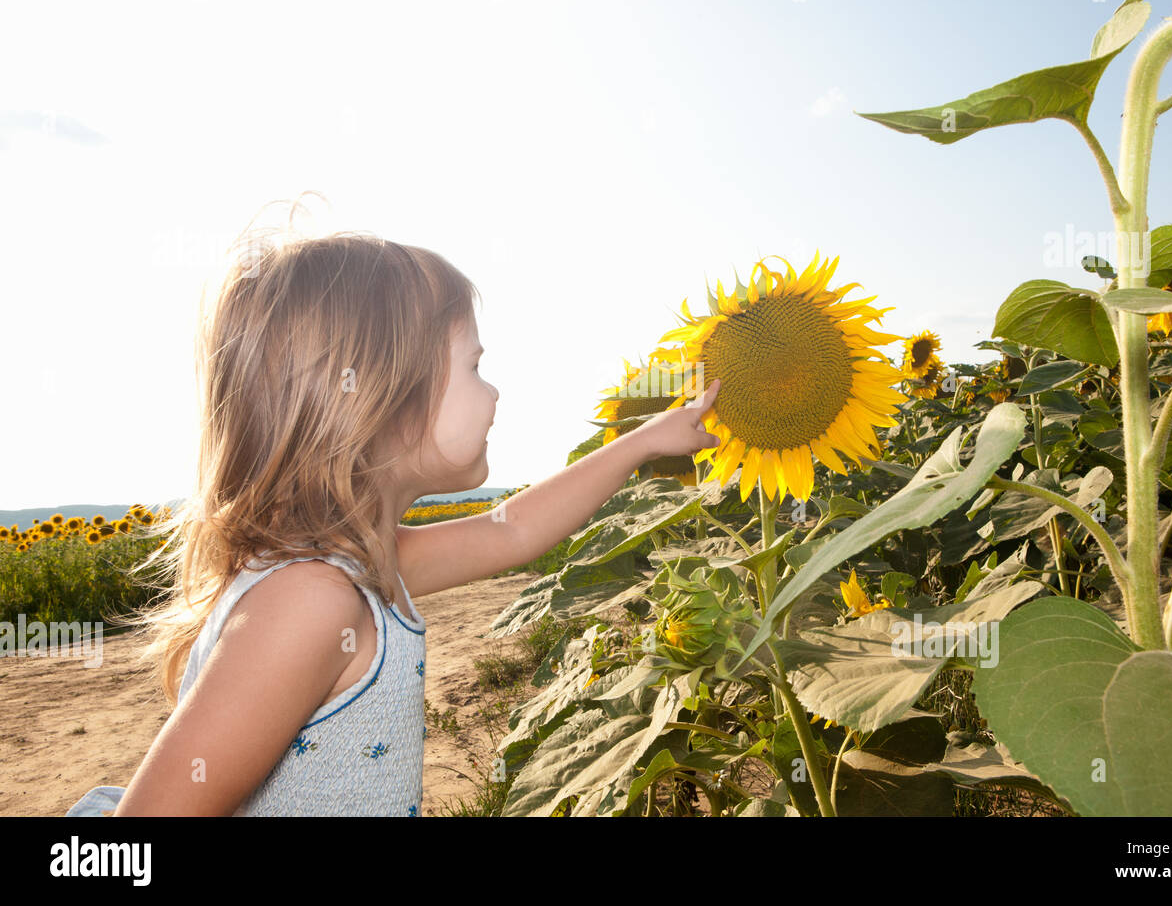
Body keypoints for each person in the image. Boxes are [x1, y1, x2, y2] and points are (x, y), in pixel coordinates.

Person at [64, 196, 722, 816]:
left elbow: (514, 528)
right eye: (473, 366)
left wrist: (644, 440)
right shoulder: (311, 599)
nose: (494, 393)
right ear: (380, 395)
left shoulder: (363, 560)